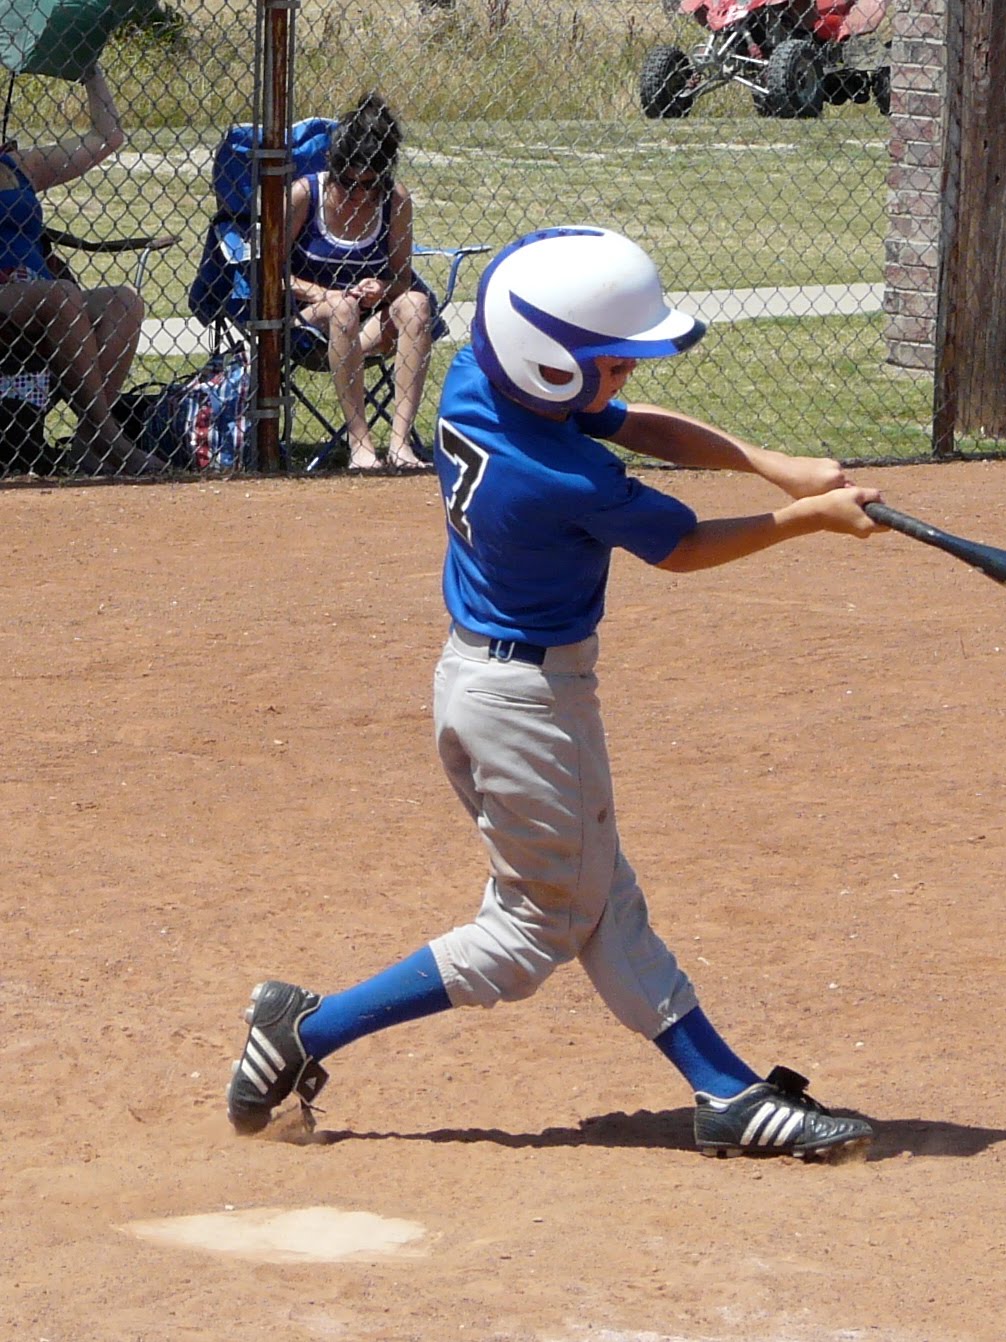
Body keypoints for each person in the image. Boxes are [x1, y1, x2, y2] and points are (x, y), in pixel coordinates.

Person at [227, 226, 882, 1159]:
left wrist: (770, 461)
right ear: (554, 368)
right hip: (532, 710)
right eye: (610, 367)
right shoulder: (567, 477)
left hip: (476, 682)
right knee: (539, 927)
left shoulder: (479, 386)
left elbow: (639, 421)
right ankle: (308, 1031)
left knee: (599, 900)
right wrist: (807, 518)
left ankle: (725, 1088)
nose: (620, 383)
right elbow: (687, 546)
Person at [0, 66, 165, 476]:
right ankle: (109, 435)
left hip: (37, 298)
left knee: (122, 302)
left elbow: (107, 138)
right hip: (15, 299)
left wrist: (89, 69)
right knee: (60, 295)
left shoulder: (20, 165)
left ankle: (89, 447)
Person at [287, 93, 435, 472]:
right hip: (307, 323)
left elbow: (402, 278)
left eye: (368, 184)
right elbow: (270, 273)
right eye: (348, 182)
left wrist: (384, 289)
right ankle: (360, 444)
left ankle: (400, 444)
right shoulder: (306, 194)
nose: (357, 194)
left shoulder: (395, 200)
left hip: (366, 326)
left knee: (416, 303)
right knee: (341, 307)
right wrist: (323, 293)